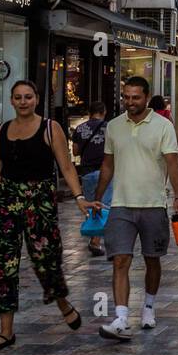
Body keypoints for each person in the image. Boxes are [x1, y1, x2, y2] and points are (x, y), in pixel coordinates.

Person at [0, 79, 90, 351]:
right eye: (18, 97)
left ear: (36, 99)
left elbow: (66, 167)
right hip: (7, 200)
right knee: (2, 265)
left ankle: (63, 303)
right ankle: (5, 331)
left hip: (39, 200)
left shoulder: (49, 128)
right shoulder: (0, 131)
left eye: (28, 97)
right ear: (11, 101)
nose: (23, 102)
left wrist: (79, 197)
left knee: (46, 259)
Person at [91, 76, 178, 342]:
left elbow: (173, 163)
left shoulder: (163, 126)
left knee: (152, 260)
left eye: (135, 97)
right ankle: (121, 318)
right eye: (126, 97)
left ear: (146, 97)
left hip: (153, 204)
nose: (130, 102)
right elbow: (108, 164)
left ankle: (149, 306)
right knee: (120, 259)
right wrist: (98, 196)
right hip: (120, 204)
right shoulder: (114, 126)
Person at [72, 102, 112, 253]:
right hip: (106, 171)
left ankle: (94, 236)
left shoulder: (80, 128)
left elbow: (75, 151)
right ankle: (95, 240)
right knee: (105, 204)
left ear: (90, 112)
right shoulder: (110, 127)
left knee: (91, 205)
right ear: (104, 111)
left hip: (87, 173)